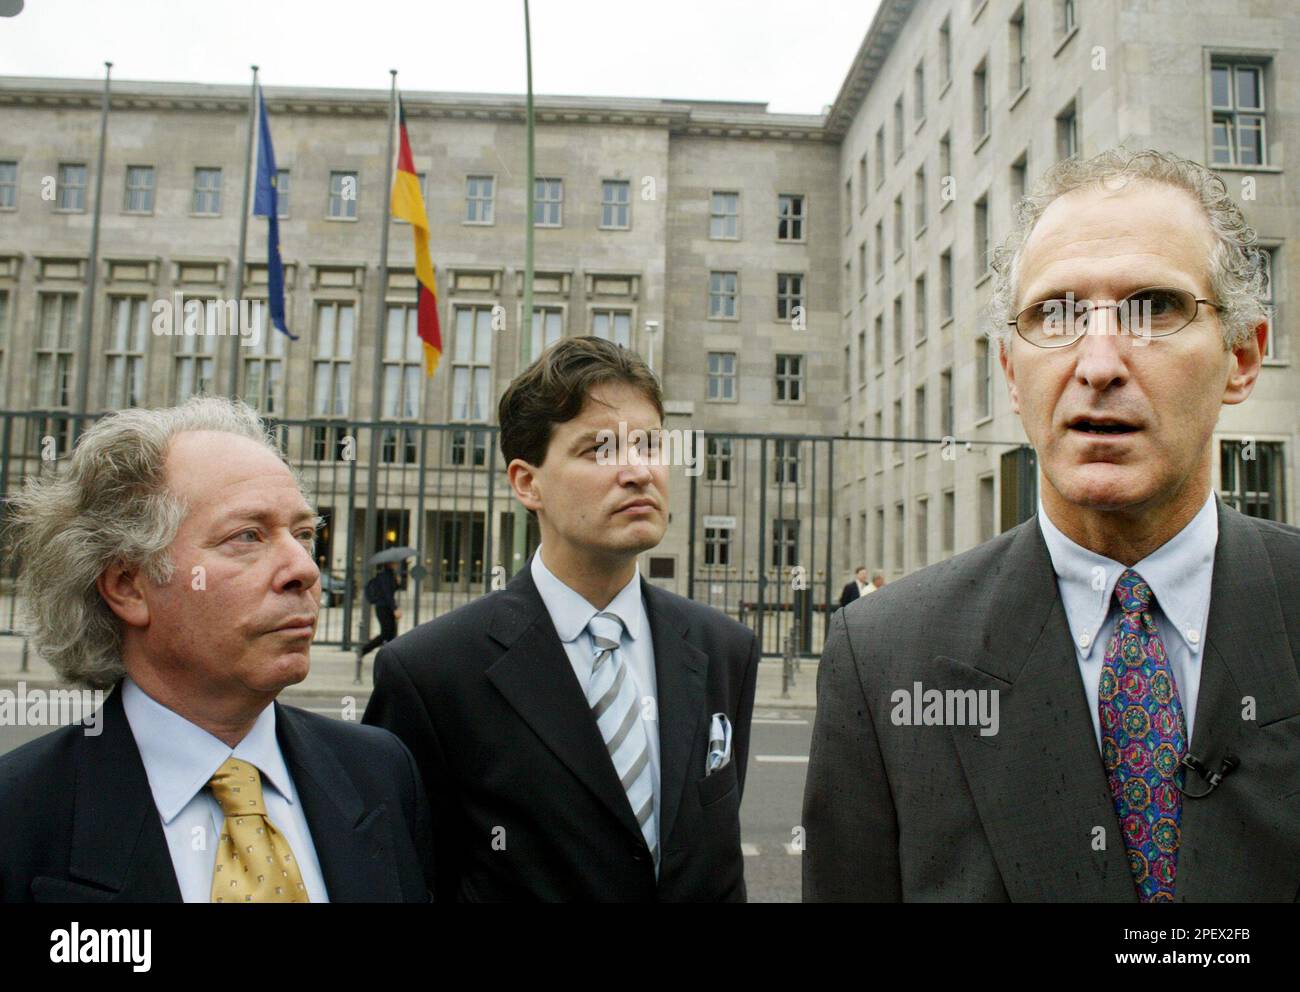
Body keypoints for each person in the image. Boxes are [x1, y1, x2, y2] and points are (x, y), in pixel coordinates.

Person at [803, 149, 1298, 902]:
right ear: (1010, 371)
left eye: (1156, 308)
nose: (1099, 362)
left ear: (1241, 356)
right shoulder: (884, 660)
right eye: (1054, 314)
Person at [364, 336, 760, 901]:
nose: (637, 471)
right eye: (599, 449)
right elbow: (404, 877)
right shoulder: (431, 672)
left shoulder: (725, 648)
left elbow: (714, 867)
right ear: (528, 483)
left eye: (649, 444)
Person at [0, 398, 433, 903]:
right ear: (128, 585)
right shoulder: (19, 817)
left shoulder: (380, 772)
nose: (305, 570)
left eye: (304, 534)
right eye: (247, 536)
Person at [357, 561, 401, 660]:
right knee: (386, 633)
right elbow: (387, 594)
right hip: (383, 608)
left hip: (386, 607)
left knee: (391, 633)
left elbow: (390, 590)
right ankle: (364, 650)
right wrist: (395, 609)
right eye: (395, 563)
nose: (397, 564)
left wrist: (397, 583)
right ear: (390, 564)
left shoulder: (390, 575)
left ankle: (391, 656)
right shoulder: (385, 576)